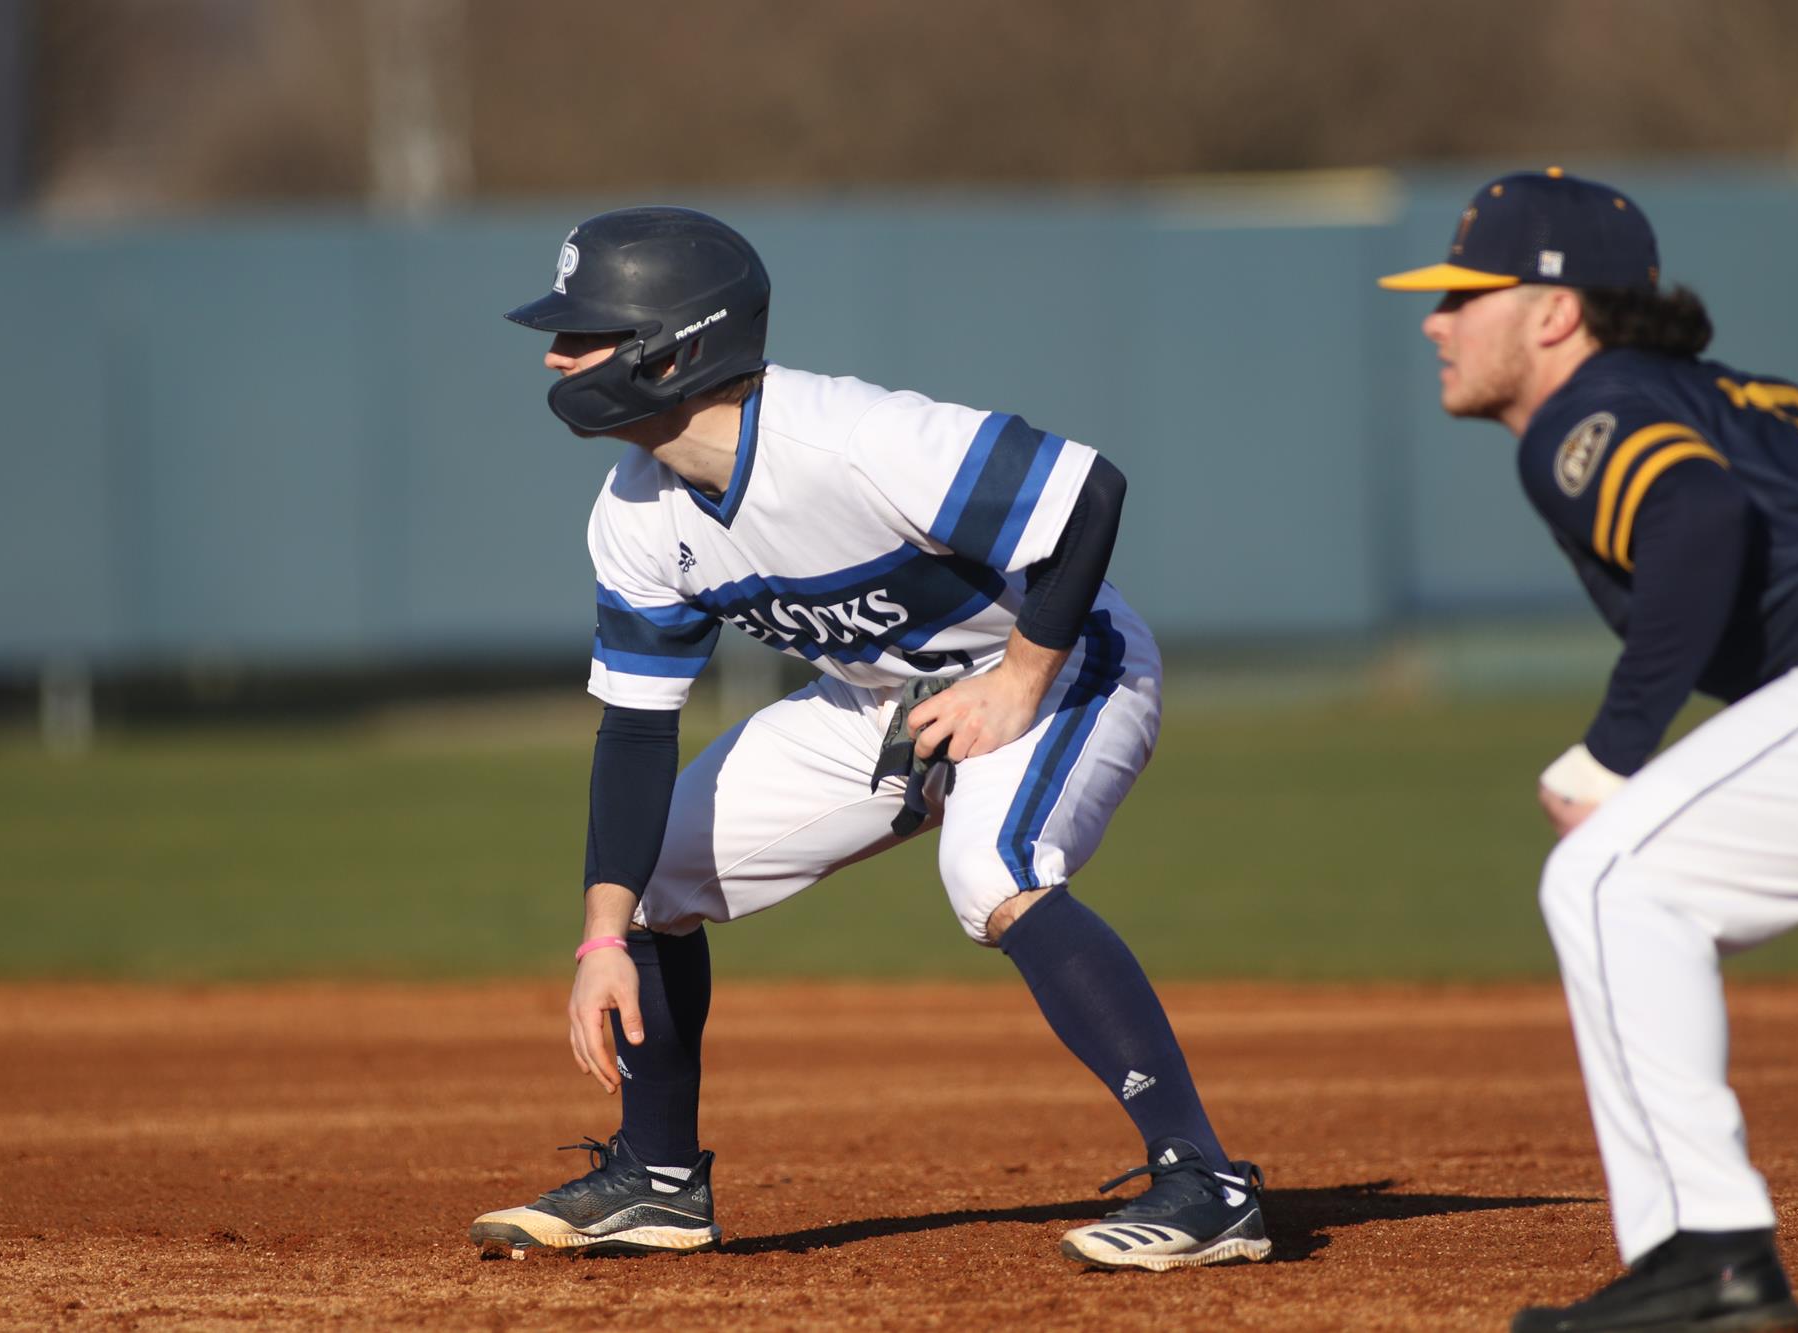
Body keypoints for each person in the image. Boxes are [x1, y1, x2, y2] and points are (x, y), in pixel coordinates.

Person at [468, 206, 1268, 1272]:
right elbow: (632, 732)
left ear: (674, 346)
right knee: (650, 872)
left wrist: (1017, 680)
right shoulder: (636, 512)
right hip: (876, 702)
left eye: (584, 333)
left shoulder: (851, 439)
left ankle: (1205, 1182)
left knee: (990, 867)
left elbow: (1087, 491)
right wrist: (601, 938)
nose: (558, 356)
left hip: (1064, 662)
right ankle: (655, 1180)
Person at [1380, 169, 1798, 1333]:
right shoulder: (1728, 395)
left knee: (1613, 875)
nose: (1436, 318)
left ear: (1553, 313)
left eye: (1468, 292)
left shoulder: (1586, 408)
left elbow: (1697, 519)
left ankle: (1703, 1253)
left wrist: (1615, 752)